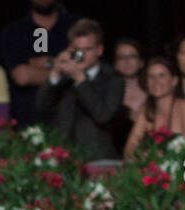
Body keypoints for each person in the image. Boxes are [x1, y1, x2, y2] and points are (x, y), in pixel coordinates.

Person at [36, 18, 123, 160]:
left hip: (98, 159)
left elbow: (103, 116)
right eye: (77, 50)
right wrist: (55, 73)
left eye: (87, 49)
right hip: (63, 158)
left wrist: (80, 80)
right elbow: (41, 108)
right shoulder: (64, 79)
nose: (81, 56)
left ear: (99, 50)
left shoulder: (114, 81)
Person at [0, 0, 82, 130]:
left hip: (73, 120)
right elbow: (22, 77)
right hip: (29, 123)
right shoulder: (14, 31)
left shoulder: (77, 26)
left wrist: (46, 63)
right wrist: (65, 69)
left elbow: (85, 70)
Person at [123, 56, 185, 157]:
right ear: (146, 83)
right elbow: (129, 148)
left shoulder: (184, 106)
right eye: (151, 76)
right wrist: (141, 156)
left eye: (161, 75)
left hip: (180, 169)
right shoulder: (145, 109)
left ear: (174, 81)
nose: (156, 81)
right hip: (149, 170)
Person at [109, 38, 147, 153]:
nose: (127, 61)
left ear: (141, 62)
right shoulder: (108, 96)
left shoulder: (154, 92)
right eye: (121, 57)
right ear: (115, 64)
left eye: (132, 56)